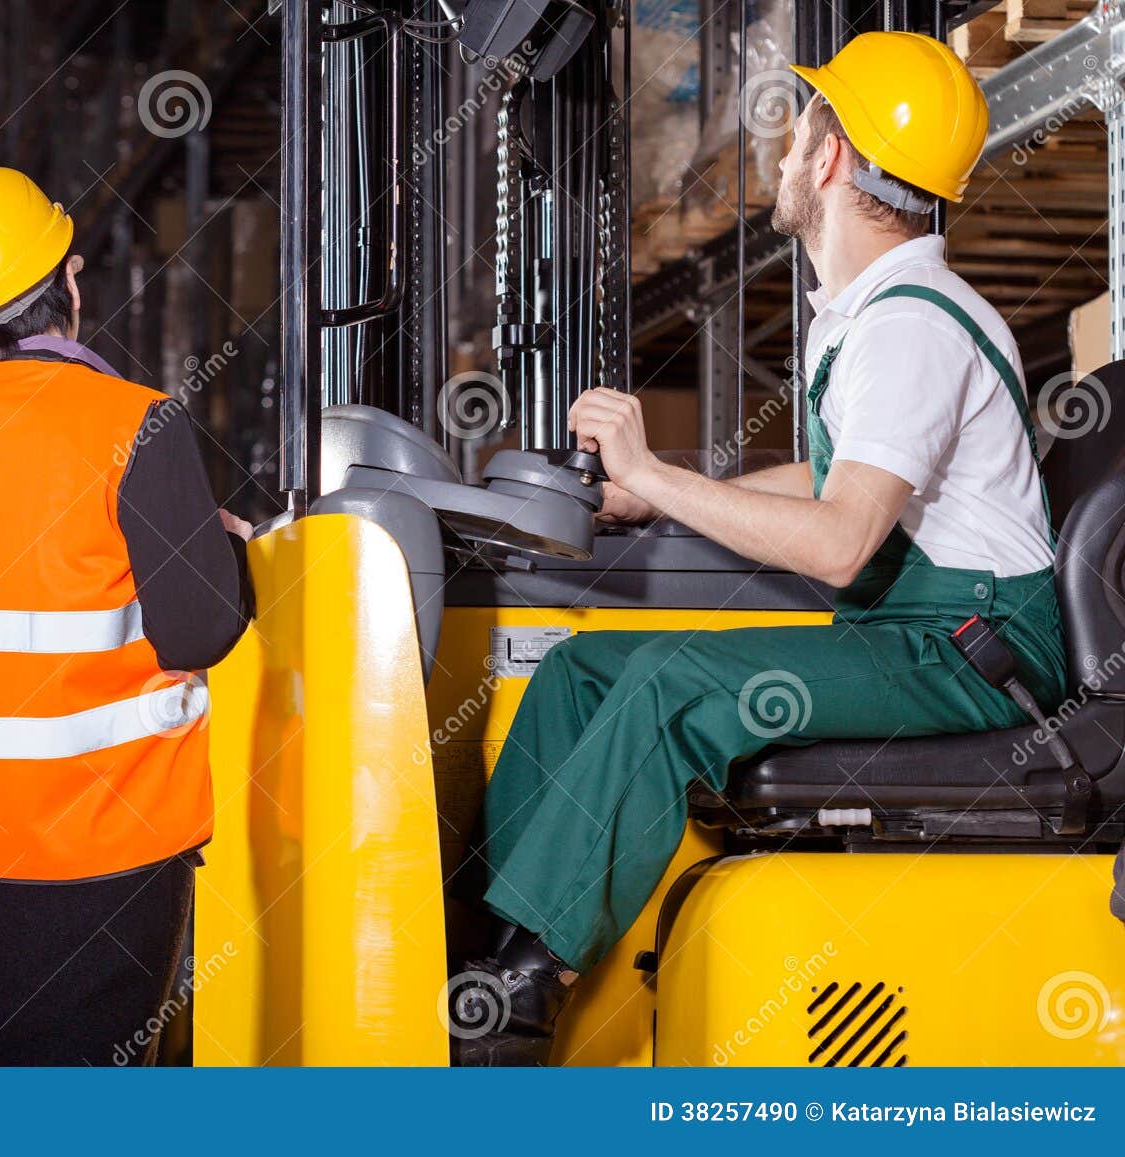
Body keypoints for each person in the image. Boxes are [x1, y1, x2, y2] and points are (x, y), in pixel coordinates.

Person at [451, 32, 1065, 1064]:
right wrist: (664, 505)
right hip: (918, 631)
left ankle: (518, 996)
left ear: (829, 157)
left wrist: (654, 476)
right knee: (580, 669)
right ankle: (488, 938)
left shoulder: (910, 326)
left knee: (673, 680)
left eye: (797, 133)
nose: (780, 154)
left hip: (970, 649)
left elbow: (835, 541)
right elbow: (834, 484)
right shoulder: (867, 312)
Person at [0, 164, 254, 1066]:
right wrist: (224, 544)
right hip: (108, 845)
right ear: (73, 283)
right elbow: (201, 629)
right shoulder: (136, 424)